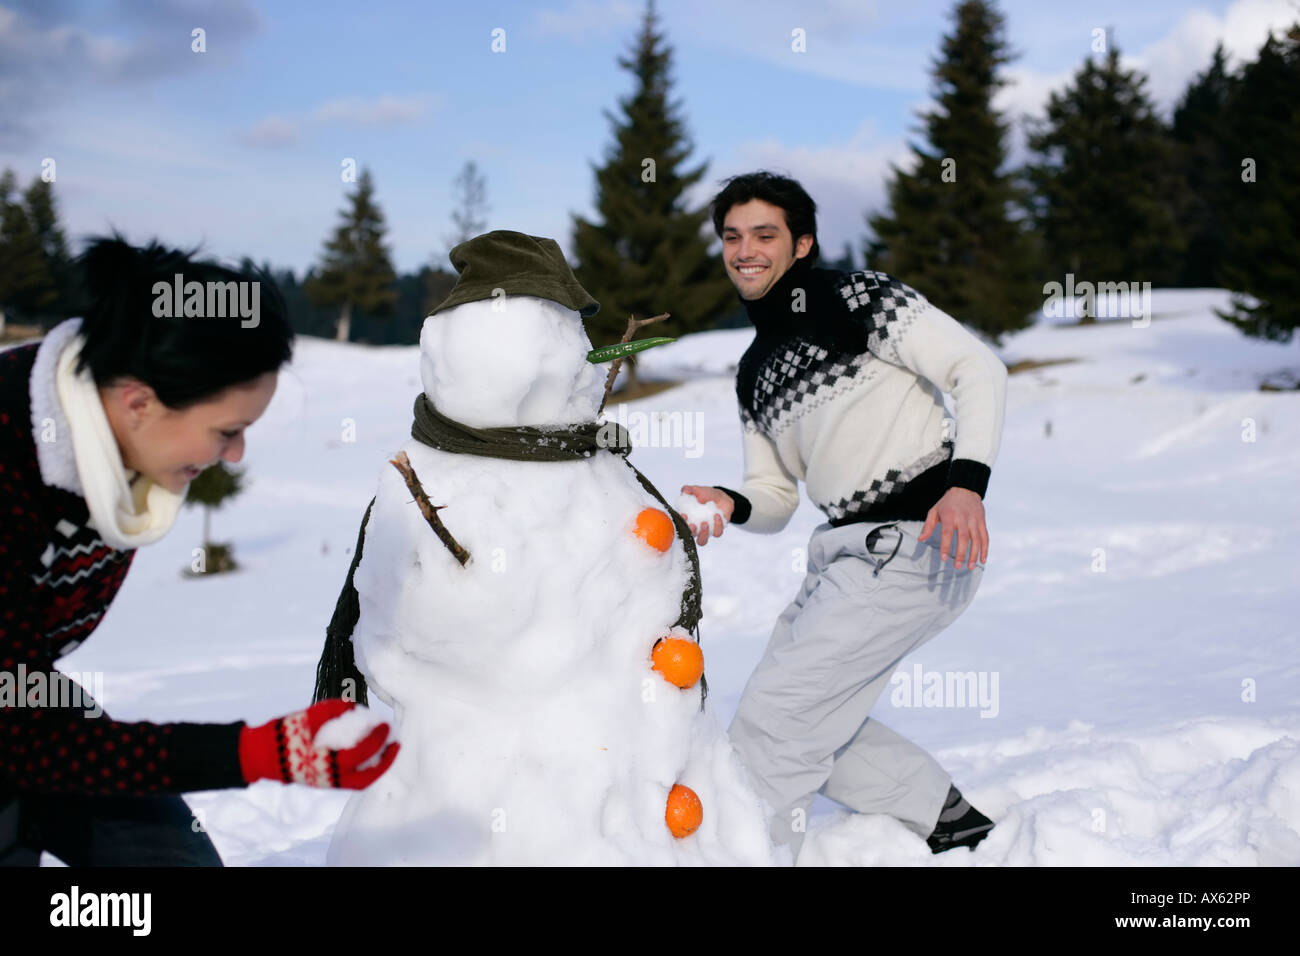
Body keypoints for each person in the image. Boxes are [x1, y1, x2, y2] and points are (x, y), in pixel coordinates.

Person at [0, 235, 398, 867]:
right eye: (226, 431)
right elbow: (24, 739)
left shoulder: (112, 450)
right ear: (138, 403)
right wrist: (259, 752)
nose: (235, 454)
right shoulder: (14, 467)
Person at [680, 171, 1006, 862]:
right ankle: (952, 824)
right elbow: (773, 496)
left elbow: (978, 370)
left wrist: (966, 485)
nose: (746, 250)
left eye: (765, 234)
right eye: (733, 237)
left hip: (920, 543)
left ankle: (746, 856)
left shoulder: (861, 297)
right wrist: (730, 501)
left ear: (801, 244)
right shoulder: (753, 370)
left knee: (778, 722)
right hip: (842, 556)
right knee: (806, 712)